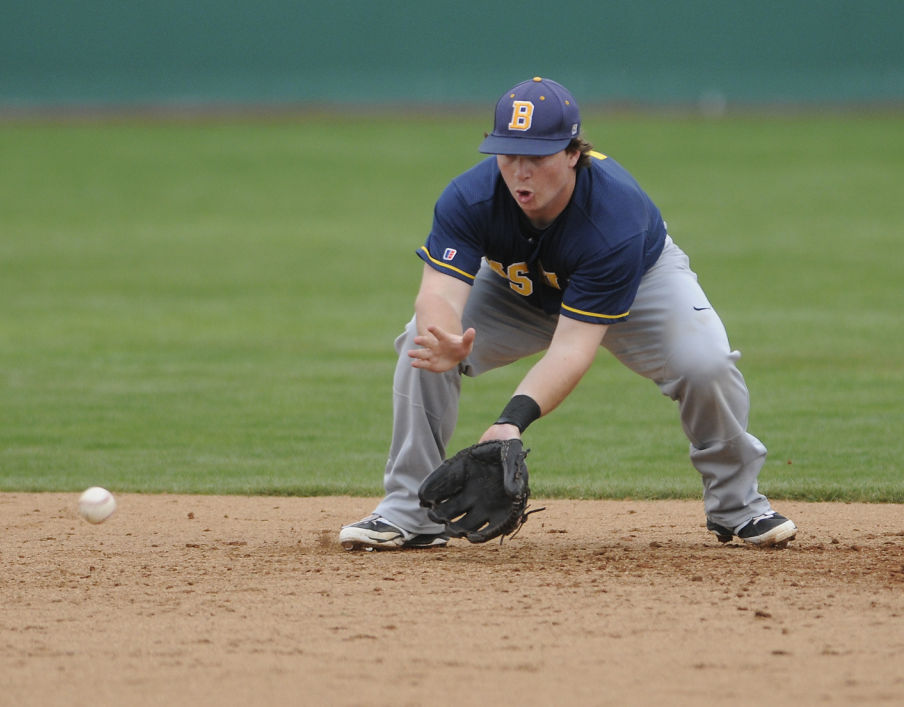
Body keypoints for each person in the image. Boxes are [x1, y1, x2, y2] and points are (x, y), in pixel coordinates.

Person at [339, 77, 796, 551]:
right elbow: (438, 290)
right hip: (518, 289)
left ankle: (737, 506)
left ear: (573, 153)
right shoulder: (469, 197)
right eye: (508, 154)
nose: (520, 172)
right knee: (423, 340)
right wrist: (447, 334)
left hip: (638, 283)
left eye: (536, 157)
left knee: (706, 365)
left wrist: (510, 421)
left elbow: (573, 349)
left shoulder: (613, 218)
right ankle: (409, 514)